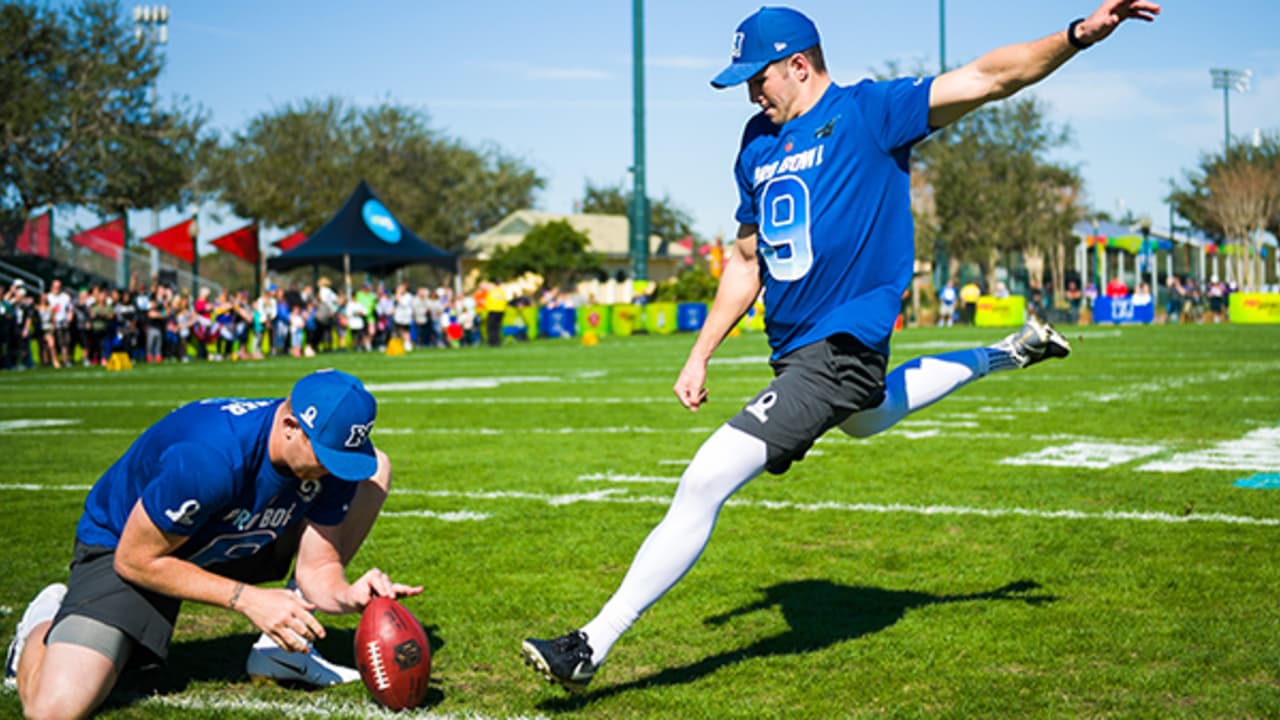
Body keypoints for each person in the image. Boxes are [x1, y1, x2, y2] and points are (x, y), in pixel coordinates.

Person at [521, 0, 1157, 693]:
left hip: (841, 346)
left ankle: (590, 643)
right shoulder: (755, 143)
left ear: (799, 64)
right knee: (870, 419)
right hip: (797, 352)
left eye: (757, 77)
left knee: (706, 476)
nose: (750, 93)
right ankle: (1009, 352)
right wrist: (699, 352)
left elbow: (989, 77)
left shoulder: (869, 113)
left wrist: (1076, 36)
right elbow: (744, 260)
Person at [4, 369, 421, 719]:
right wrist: (249, 599)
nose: (333, 473)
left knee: (373, 470)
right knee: (53, 710)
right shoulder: (209, 457)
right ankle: (40, 622)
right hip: (132, 547)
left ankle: (283, 647)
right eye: (328, 458)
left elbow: (317, 568)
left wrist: (349, 595)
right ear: (291, 427)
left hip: (228, 532)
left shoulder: (317, 456)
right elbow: (135, 560)